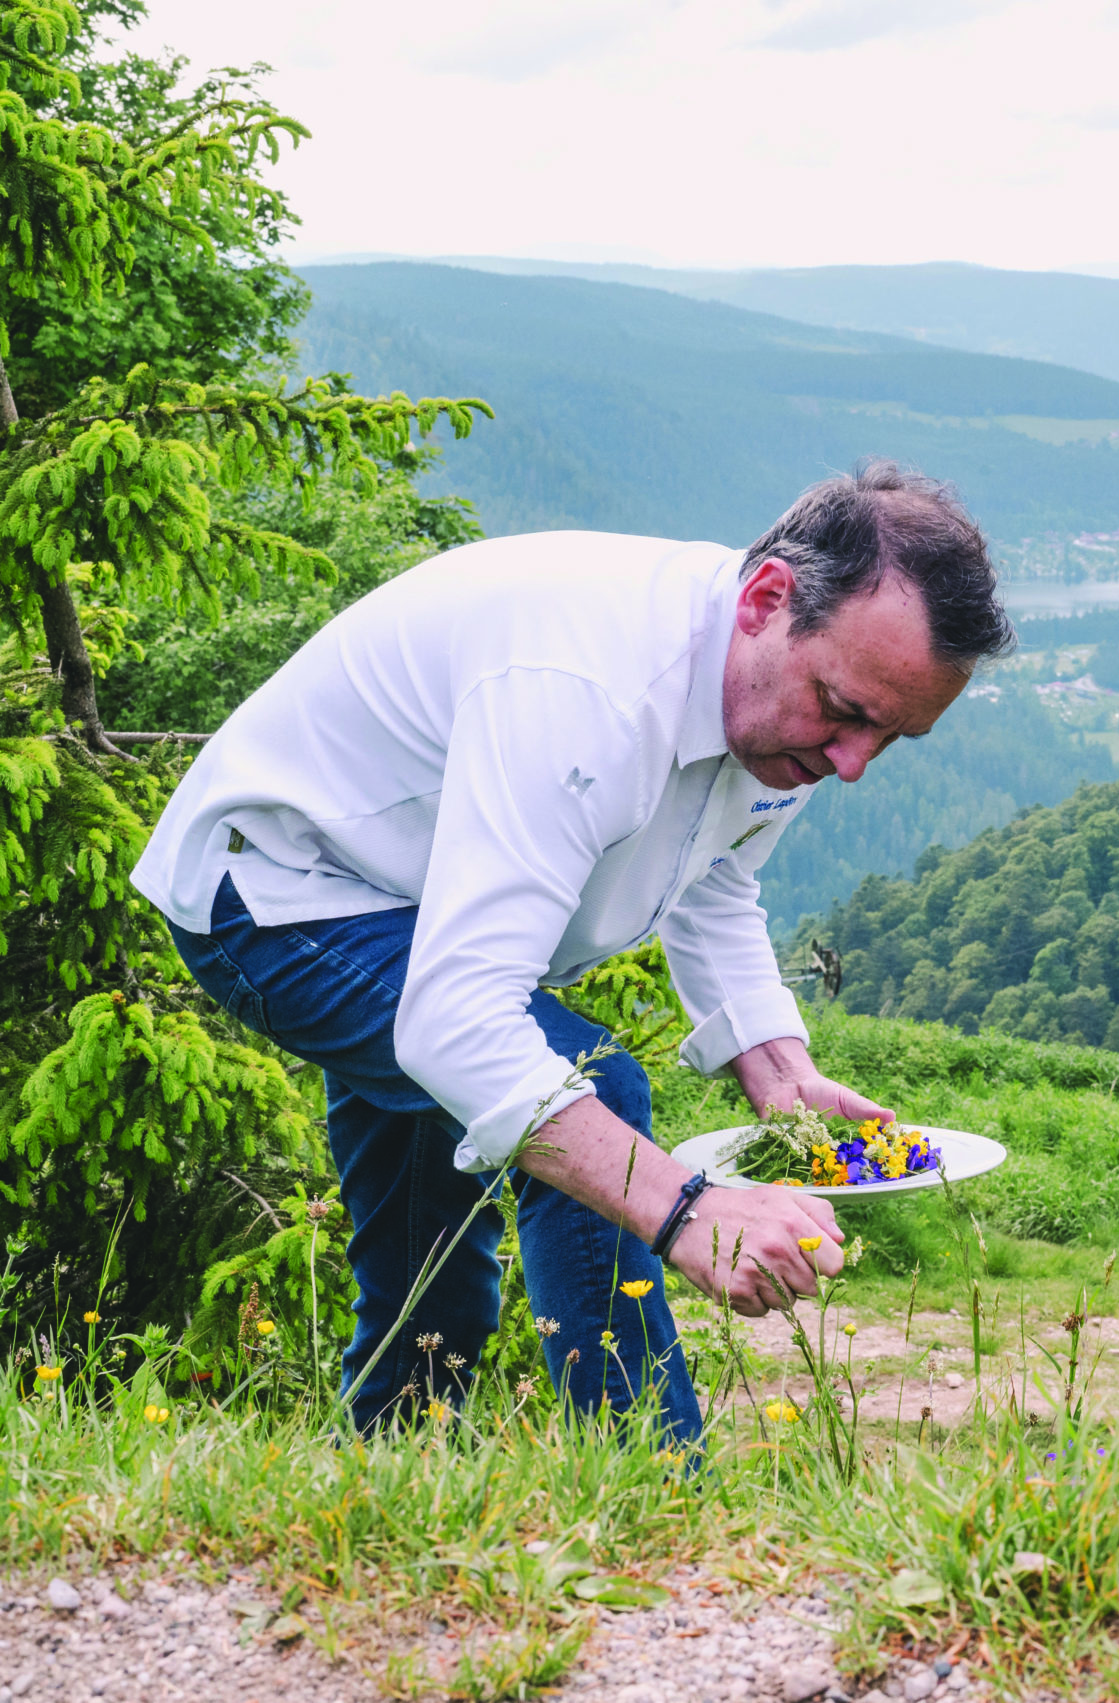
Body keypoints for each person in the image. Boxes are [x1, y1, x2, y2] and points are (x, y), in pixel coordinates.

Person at [132, 464, 1012, 1437]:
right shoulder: (586, 687)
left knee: (432, 1284)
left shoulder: (783, 692)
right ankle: (654, 1479)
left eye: (889, 736)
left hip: (420, 903)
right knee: (594, 1087)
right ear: (767, 599)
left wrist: (778, 1069)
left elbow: (715, 871)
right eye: (844, 710)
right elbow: (455, 1018)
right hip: (275, 889)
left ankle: (385, 1464)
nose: (849, 764)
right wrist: (687, 1210)